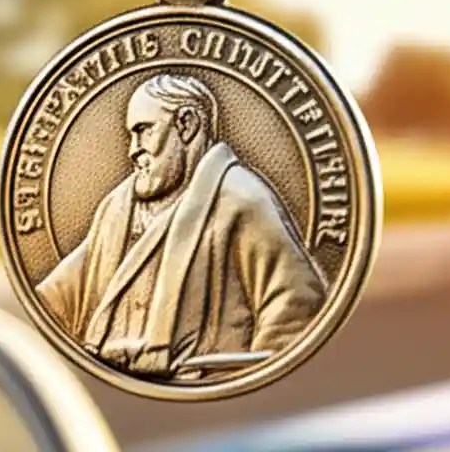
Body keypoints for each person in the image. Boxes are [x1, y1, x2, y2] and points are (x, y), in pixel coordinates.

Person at [37, 73, 328, 379]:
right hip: (102, 386)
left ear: (187, 125)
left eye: (143, 131)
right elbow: (57, 298)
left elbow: (295, 310)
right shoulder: (118, 208)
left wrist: (235, 381)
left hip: (205, 389)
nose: (133, 150)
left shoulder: (241, 199)